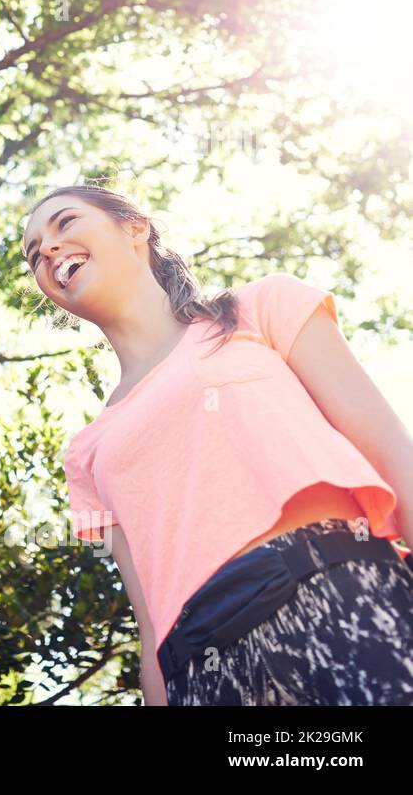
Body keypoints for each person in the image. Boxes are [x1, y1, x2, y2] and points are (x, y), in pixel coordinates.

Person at [21, 183, 413, 705]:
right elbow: (149, 623)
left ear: (135, 228)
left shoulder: (261, 308)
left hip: (339, 591)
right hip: (203, 671)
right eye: (33, 254)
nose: (47, 249)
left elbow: (390, 449)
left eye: (65, 223)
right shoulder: (87, 453)